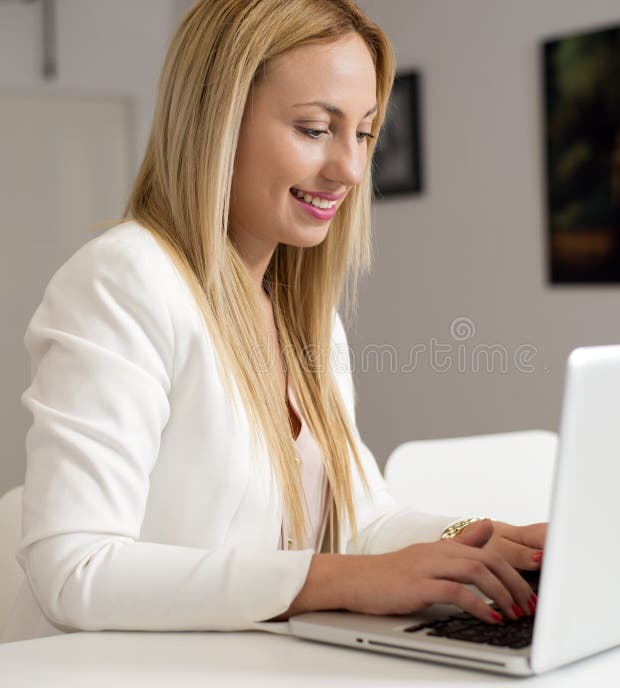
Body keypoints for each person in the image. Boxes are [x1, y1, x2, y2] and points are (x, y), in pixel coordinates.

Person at [2, 0, 546, 643]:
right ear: (216, 123)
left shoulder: (302, 318)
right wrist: (336, 580)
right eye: (317, 129)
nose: (349, 169)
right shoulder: (124, 281)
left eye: (365, 133)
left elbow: (363, 525)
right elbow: (74, 571)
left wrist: (479, 543)